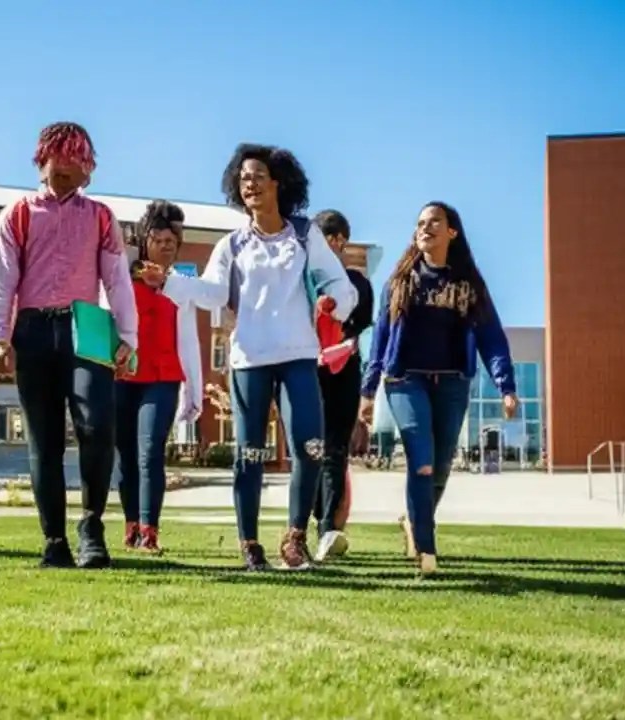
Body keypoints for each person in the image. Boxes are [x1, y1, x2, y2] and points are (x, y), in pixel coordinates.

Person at [141, 143, 357, 571]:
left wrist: (334, 303)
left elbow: (339, 283)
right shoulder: (232, 245)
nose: (250, 185)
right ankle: (250, 544)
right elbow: (213, 293)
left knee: (310, 446)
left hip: (298, 355)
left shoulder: (304, 235)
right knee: (250, 453)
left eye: (258, 176)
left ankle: (295, 539)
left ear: (278, 182)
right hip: (249, 359)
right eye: (243, 179)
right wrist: (168, 283)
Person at [0, 121, 137, 569]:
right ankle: (54, 539)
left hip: (87, 326)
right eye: (57, 156)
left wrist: (128, 337)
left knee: (98, 424)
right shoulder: (18, 214)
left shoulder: (100, 217)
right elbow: (2, 280)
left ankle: (91, 525)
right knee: (44, 439)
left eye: (75, 158)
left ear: (88, 168)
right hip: (33, 329)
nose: (65, 166)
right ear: (41, 161)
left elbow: (117, 279)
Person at [359, 201, 516, 575]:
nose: (425, 228)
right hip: (405, 380)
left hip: (452, 382)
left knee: (441, 467)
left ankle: (414, 521)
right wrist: (368, 391)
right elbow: (380, 340)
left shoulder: (469, 286)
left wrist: (506, 385)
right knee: (422, 460)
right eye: (420, 223)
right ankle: (425, 547)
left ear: (452, 232)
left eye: (434, 222)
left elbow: (491, 337)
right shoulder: (399, 283)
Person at [113, 200, 203, 555]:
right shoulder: (122, 277)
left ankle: (149, 530)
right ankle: (131, 525)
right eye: (158, 239)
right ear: (144, 241)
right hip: (123, 376)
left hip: (164, 378)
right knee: (126, 454)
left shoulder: (181, 286)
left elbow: (212, 299)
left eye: (171, 241)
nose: (165, 246)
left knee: (150, 451)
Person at [308, 209, 374, 562]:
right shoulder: (303, 281)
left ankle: (327, 530)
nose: (334, 244)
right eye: (326, 237)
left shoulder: (357, 282)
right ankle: (309, 519)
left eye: (339, 239)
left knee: (335, 449)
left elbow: (359, 320)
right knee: (310, 448)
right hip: (308, 371)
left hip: (344, 370)